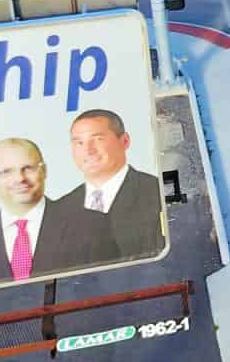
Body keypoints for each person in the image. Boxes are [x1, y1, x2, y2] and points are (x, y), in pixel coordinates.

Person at [0, 138, 118, 290]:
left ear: (44, 172)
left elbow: (112, 293)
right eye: (5, 172)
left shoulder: (91, 226)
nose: (19, 178)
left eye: (27, 168)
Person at [65, 109, 165, 260]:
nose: (88, 150)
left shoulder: (158, 193)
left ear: (125, 141)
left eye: (98, 139)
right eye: (79, 142)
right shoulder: (62, 208)